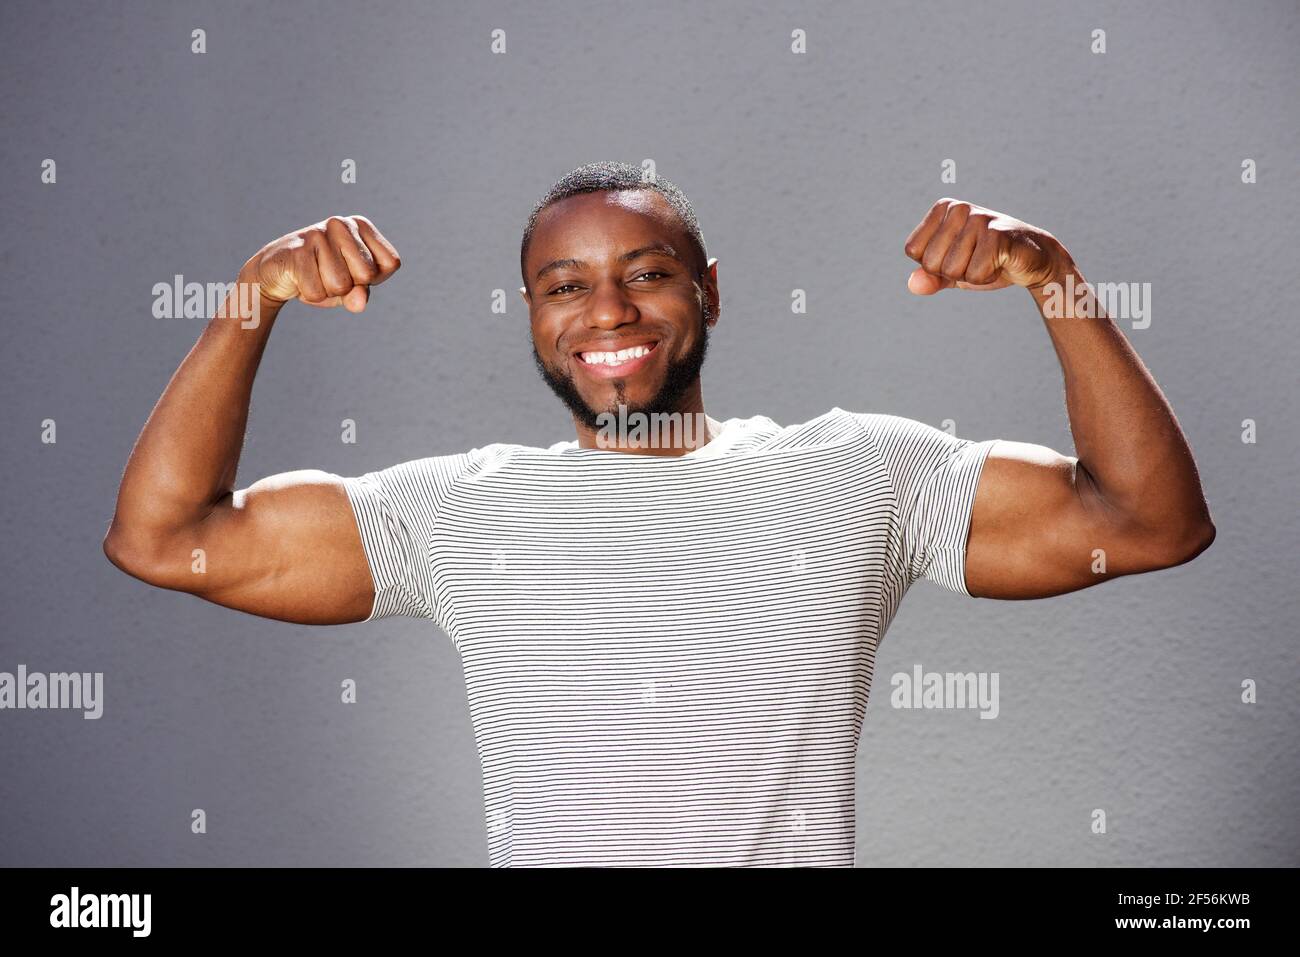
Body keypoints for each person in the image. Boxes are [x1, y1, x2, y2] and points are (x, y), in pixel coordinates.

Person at [103, 161, 1215, 867]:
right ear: (534, 316)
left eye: (646, 273)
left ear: (711, 292)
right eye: (565, 286)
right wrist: (251, 298)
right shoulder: (454, 510)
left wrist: (1052, 277)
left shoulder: (863, 470)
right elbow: (165, 537)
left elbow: (1151, 520)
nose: (608, 312)